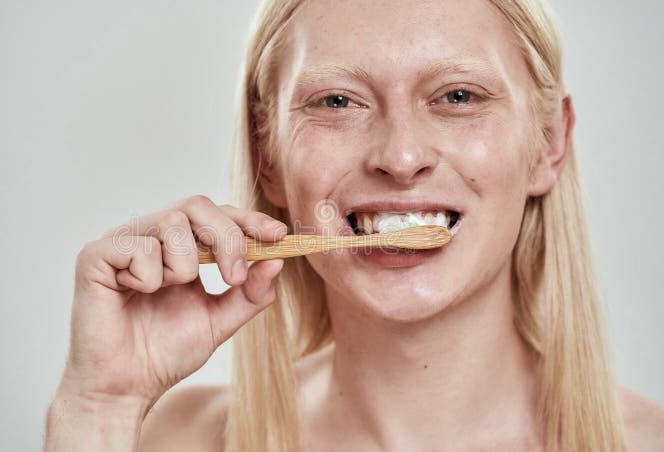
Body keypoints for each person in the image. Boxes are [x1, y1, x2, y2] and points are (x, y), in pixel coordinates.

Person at [44, 0, 664, 450]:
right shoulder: (172, 442)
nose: (399, 158)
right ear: (269, 158)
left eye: (457, 97)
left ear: (548, 143)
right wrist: (100, 409)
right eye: (337, 101)